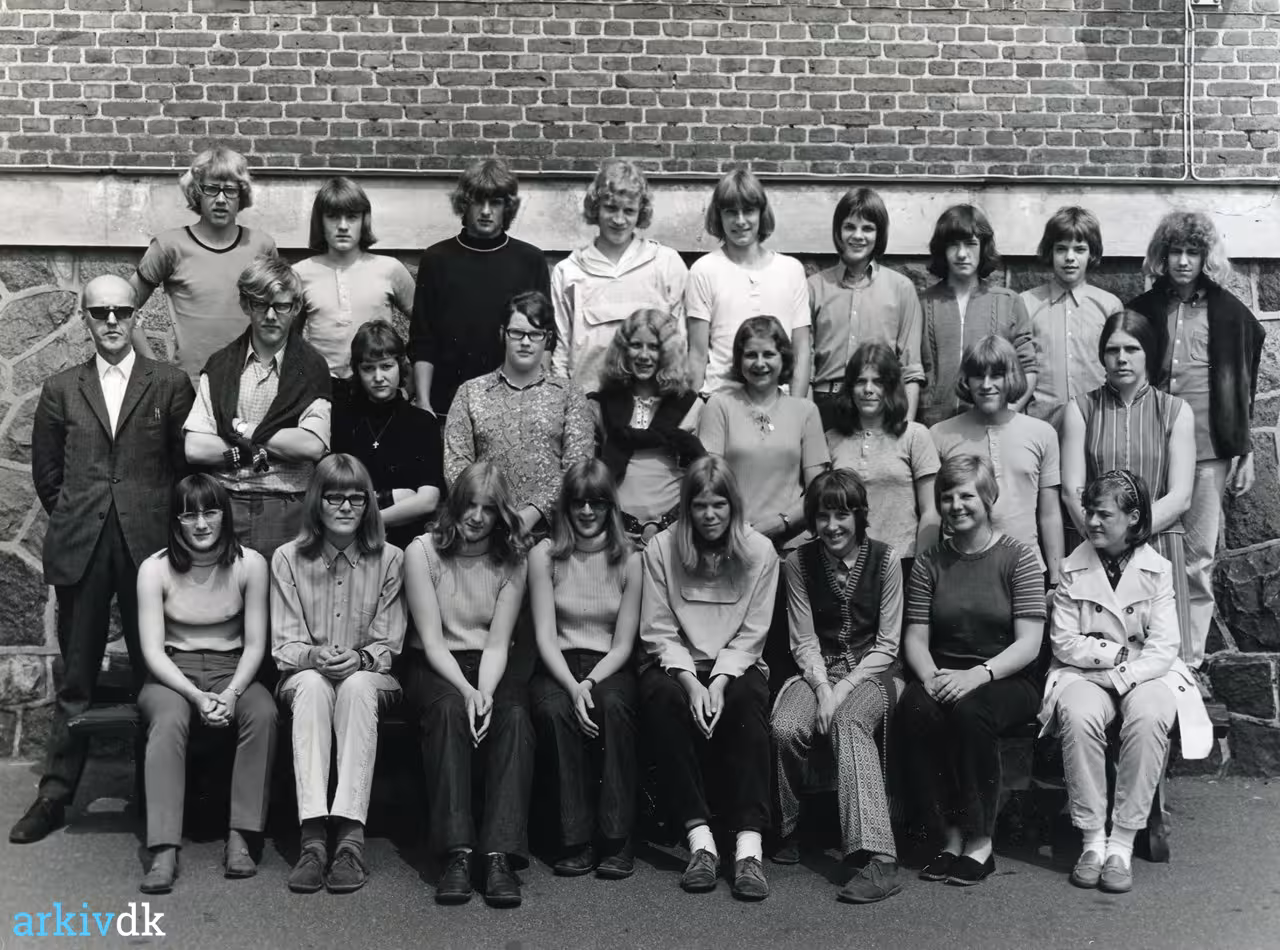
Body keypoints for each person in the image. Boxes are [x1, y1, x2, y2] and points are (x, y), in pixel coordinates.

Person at [11, 275, 195, 845]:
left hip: (149, 550)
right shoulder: (62, 388)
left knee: (153, 676)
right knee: (77, 679)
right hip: (82, 547)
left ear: (135, 314)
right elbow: (48, 476)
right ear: (87, 320)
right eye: (100, 313)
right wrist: (77, 516)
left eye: (120, 311)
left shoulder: (168, 383)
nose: (111, 321)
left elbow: (183, 469)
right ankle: (56, 794)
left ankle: (152, 795)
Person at [1039, 471, 1213, 894]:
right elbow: (1064, 642)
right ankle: (1092, 839)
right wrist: (1116, 655)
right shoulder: (1072, 569)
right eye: (1089, 513)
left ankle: (1122, 841)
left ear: (1133, 519)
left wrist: (1123, 674)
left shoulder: (1158, 570)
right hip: (1084, 674)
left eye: (1104, 514)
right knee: (1078, 715)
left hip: (1146, 675)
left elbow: (1163, 648)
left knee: (1151, 715)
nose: (1092, 522)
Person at [897, 454, 1046, 886]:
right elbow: (915, 640)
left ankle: (980, 842)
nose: (956, 505)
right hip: (945, 674)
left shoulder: (1017, 558)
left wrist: (977, 675)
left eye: (966, 494)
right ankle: (948, 837)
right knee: (916, 709)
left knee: (970, 711)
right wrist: (931, 679)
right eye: (946, 496)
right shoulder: (930, 562)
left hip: (1007, 679)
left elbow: (1029, 644)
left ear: (987, 498)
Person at [1126, 211, 1265, 668]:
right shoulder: (1144, 310)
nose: (1183, 261)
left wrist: (1243, 450)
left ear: (1206, 256)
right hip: (1152, 443)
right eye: (1175, 252)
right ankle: (1144, 651)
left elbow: (1244, 383)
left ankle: (1188, 659)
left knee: (1198, 555)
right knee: (1141, 547)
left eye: (1192, 252)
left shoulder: (1229, 311)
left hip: (1209, 450)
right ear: (1162, 257)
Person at [639, 456, 779, 901]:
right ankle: (700, 841)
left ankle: (748, 848)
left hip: (735, 664)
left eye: (719, 504)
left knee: (748, 700)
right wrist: (692, 682)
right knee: (663, 700)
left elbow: (753, 634)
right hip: (679, 665)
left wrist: (717, 682)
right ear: (687, 507)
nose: (710, 515)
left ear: (733, 506)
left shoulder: (760, 551)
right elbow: (659, 630)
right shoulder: (661, 549)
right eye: (700, 505)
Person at [271, 454, 407, 895]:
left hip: (368, 678)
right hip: (306, 675)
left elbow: (388, 645)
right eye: (335, 498)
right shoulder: (287, 559)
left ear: (368, 505)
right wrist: (314, 656)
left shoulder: (390, 559)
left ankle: (349, 841)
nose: (346, 507)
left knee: (357, 686)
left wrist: (361, 659)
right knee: (312, 685)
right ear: (317, 502)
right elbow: (284, 646)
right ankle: (312, 841)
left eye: (357, 498)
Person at [401, 461, 534, 908]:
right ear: (455, 506)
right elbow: (434, 641)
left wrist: (487, 693)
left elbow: (498, 645)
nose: (477, 517)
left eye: (489, 509)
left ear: (502, 516)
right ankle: (457, 854)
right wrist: (467, 691)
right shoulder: (422, 552)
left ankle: (497, 854)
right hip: (435, 663)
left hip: (489, 661)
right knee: (448, 711)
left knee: (514, 715)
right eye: (470, 505)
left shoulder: (513, 560)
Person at [135, 474, 276, 894]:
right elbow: (153, 650)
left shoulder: (250, 564)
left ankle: (241, 836)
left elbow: (255, 644)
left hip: (233, 667)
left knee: (264, 712)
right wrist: (195, 696)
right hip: (172, 672)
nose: (201, 524)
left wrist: (232, 694)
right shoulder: (154, 569)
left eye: (210, 512)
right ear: (176, 521)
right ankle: (163, 848)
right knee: (168, 720)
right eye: (189, 514)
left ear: (223, 515)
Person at [770, 470, 906, 904]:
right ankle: (791, 827)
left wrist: (842, 688)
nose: (832, 526)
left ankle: (879, 858)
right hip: (816, 668)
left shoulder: (886, 559)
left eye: (843, 514)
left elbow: (887, 644)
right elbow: (803, 639)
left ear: (859, 516)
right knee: (785, 727)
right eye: (823, 515)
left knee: (848, 721)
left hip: (872, 669)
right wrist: (822, 686)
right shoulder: (797, 562)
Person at [528, 460, 642, 879]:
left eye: (597, 502)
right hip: (558, 663)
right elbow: (544, 635)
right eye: (579, 503)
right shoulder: (545, 554)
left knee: (613, 708)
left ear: (611, 507)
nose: (588, 512)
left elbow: (624, 643)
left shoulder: (629, 558)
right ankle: (573, 837)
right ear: (566, 507)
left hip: (609, 665)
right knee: (555, 711)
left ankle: (616, 838)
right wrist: (573, 687)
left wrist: (589, 684)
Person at [1060, 310, 1195, 655]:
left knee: (1161, 659)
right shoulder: (1081, 409)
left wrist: (1133, 534)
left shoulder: (1176, 411)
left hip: (1158, 544)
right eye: (1112, 350)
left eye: (1132, 349)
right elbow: (1072, 489)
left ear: (1149, 352)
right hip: (1094, 544)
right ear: (1102, 355)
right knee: (1092, 654)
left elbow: (1179, 495)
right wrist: (1103, 535)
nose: (1121, 358)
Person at [183, 256, 332, 559]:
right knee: (228, 603)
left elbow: (312, 445)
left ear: (296, 308)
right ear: (246, 305)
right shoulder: (221, 364)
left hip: (288, 507)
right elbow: (196, 447)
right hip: (226, 504)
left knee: (282, 603)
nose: (271, 315)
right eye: (261, 304)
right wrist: (264, 447)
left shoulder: (312, 367)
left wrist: (241, 429)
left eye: (282, 306)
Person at [444, 290, 595, 535]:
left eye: (535, 334)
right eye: (517, 333)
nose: (525, 342)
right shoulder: (471, 392)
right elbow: (456, 465)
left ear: (547, 339)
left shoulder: (569, 394)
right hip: (484, 530)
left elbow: (579, 467)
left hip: (551, 532)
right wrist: (490, 512)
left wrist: (532, 513)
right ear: (503, 334)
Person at [409, 158, 551, 418]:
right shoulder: (436, 259)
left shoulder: (530, 260)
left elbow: (543, 340)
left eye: (495, 202)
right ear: (464, 204)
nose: (486, 211)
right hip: (446, 405)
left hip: (513, 406)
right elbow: (423, 340)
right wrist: (424, 404)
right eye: (478, 201)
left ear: (507, 207)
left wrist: (536, 403)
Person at [129, 146, 277, 379]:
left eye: (230, 190)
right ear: (197, 192)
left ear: (241, 195)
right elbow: (123, 306)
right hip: (189, 385)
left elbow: (280, 312)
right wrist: (154, 366)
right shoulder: (169, 246)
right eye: (211, 189)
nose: (220, 199)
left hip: (249, 381)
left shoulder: (261, 246)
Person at [929, 335, 1063, 586]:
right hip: (958, 567)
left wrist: (1056, 578)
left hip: (1026, 567)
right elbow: (933, 514)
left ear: (1010, 377)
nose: (987, 385)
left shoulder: (1042, 433)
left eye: (997, 375)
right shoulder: (939, 434)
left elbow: (1050, 512)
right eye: (979, 375)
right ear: (966, 380)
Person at [551, 160, 689, 394]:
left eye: (629, 211)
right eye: (611, 208)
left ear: (641, 213)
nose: (619, 220)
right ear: (596, 208)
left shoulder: (665, 263)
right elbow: (561, 351)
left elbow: (680, 342)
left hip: (652, 406)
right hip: (588, 403)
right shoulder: (569, 271)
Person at [698, 315, 829, 548]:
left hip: (791, 546)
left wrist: (780, 524)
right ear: (739, 359)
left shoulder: (805, 411)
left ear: (784, 358)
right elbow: (709, 482)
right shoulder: (719, 406)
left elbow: (818, 490)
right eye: (751, 355)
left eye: (769, 354)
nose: (760, 363)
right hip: (732, 541)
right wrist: (739, 532)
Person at [685, 168, 811, 396]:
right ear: (719, 216)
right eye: (731, 212)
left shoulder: (791, 270)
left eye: (749, 211)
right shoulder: (704, 270)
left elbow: (801, 350)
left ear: (761, 214)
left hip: (777, 402)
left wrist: (796, 409)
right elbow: (697, 353)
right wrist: (690, 409)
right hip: (720, 399)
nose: (740, 221)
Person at [808, 186, 925, 426]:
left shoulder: (901, 289)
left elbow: (911, 368)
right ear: (838, 231)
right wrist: (806, 422)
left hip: (879, 404)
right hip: (825, 403)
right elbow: (804, 365)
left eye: (868, 228)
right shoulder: (814, 287)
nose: (858, 236)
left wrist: (907, 426)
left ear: (879, 234)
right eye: (850, 226)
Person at [591, 307, 705, 546]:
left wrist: (666, 526)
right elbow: (587, 477)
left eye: (653, 347)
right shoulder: (599, 405)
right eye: (635, 345)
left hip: (674, 531)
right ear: (623, 349)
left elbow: (701, 478)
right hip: (611, 531)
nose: (644, 355)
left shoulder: (692, 405)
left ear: (668, 352)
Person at [825, 342, 940, 573]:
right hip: (845, 566)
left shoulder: (915, 436)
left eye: (878, 382)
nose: (868, 389)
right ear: (849, 387)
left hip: (903, 562)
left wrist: (921, 568)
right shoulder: (831, 439)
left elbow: (931, 511)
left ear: (891, 387)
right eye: (860, 381)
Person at [919, 204, 1037, 427]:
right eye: (953, 245)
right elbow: (908, 370)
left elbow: (1028, 368)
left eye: (971, 244)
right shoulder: (922, 303)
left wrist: (1005, 414)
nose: (962, 254)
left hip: (990, 427)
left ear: (983, 247)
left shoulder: (1009, 302)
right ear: (942, 250)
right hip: (933, 427)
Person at [331, 321, 443, 551]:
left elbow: (428, 499)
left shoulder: (423, 423)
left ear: (400, 367)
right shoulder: (344, 420)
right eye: (369, 368)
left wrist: (370, 520)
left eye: (386, 366)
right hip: (353, 547)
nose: (379, 377)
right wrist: (396, 497)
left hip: (410, 546)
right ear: (357, 370)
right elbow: (336, 493)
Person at [294, 177, 416, 385]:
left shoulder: (389, 268)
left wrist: (407, 377)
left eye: (351, 217)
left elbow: (425, 328)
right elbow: (289, 339)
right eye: (332, 217)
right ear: (320, 222)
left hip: (375, 388)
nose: (342, 226)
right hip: (323, 388)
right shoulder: (299, 273)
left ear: (364, 220)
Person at [1021, 207, 1122, 432]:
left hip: (1097, 423)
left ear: (1091, 253)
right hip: (1040, 426)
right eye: (1061, 249)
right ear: (1050, 252)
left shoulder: (1109, 306)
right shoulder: (1026, 304)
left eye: (1079, 249)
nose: (1069, 258)